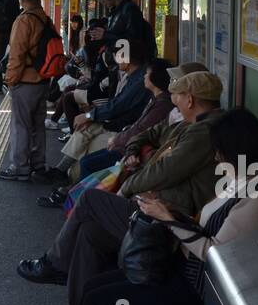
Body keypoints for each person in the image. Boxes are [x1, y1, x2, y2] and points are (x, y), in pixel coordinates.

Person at [17, 71, 227, 305]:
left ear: (191, 99)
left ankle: (55, 262)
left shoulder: (202, 132)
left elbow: (164, 171)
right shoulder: (188, 124)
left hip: (167, 223)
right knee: (89, 233)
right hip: (154, 210)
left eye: (179, 94)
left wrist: (125, 189)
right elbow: (146, 134)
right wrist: (132, 151)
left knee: (91, 199)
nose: (173, 99)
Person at [69, 108, 258, 305]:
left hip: (200, 293)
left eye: (219, 150)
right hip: (181, 272)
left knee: (98, 304)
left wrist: (168, 219)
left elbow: (214, 254)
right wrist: (169, 212)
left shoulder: (256, 197)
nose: (217, 157)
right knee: (92, 288)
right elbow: (205, 230)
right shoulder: (237, 182)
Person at [38, 59, 174, 209]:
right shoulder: (155, 97)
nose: (144, 77)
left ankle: (77, 199)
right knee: (85, 141)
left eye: (147, 74)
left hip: (131, 148)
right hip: (128, 140)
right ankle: (69, 187)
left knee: (88, 162)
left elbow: (139, 127)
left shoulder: (161, 103)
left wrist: (119, 138)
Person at [47, 41, 153, 185]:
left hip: (122, 129)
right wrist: (90, 117)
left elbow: (118, 105)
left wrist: (90, 115)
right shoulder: (133, 76)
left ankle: (71, 186)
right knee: (84, 129)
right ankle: (60, 171)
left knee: (85, 153)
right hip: (116, 123)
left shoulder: (138, 81)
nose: (115, 59)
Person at [0, 0, 55, 182]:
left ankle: (19, 167)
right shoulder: (45, 19)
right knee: (38, 125)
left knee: (20, 125)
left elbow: (17, 54)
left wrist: (10, 80)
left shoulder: (24, 20)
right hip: (43, 81)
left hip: (26, 82)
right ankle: (38, 164)